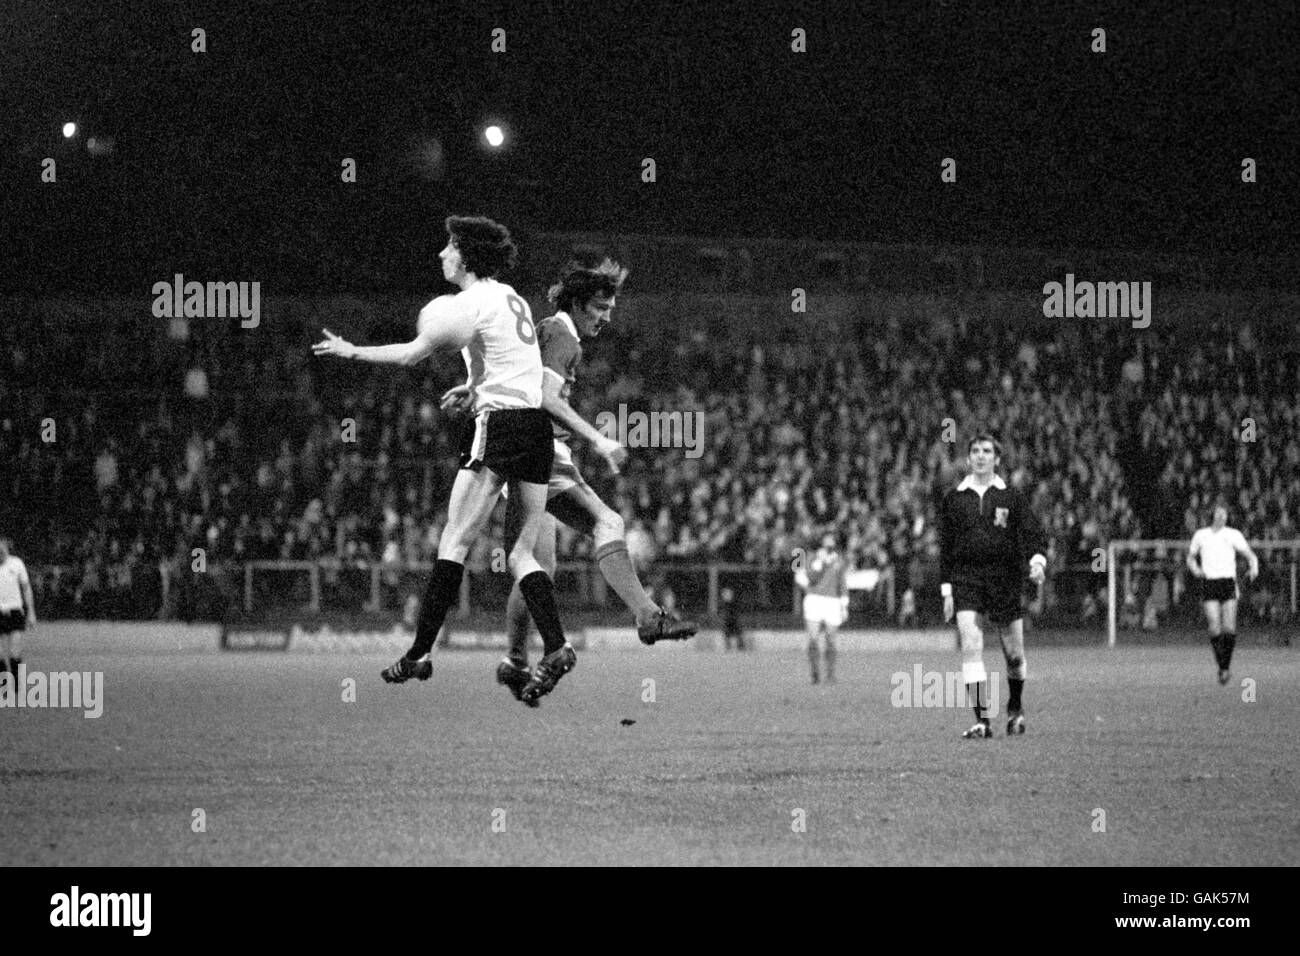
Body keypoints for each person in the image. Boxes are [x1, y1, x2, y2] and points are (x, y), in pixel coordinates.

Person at [313, 215, 575, 703]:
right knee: (521, 552)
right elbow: (511, 361)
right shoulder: (511, 297)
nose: (441, 255)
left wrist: (353, 352)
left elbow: (414, 355)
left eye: (449, 248)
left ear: (467, 256)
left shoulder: (469, 303)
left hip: (498, 427)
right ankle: (557, 646)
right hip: (536, 428)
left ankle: (418, 654)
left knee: (453, 542)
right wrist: (473, 386)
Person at [440, 258, 696, 705]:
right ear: (578, 304)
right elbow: (543, 396)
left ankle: (516, 660)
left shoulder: (540, 330)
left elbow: (512, 377)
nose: (606, 317)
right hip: (540, 449)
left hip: (513, 453)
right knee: (608, 522)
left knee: (535, 566)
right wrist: (599, 439)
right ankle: (648, 616)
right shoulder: (561, 335)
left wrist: (476, 390)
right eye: (600, 308)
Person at [939, 434, 1047, 739]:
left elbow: (1033, 534)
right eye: (975, 451)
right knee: (972, 647)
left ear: (997, 459)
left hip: (1004, 578)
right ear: (969, 457)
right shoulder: (955, 498)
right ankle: (982, 721)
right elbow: (946, 548)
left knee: (1014, 656)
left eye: (987, 451)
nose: (980, 456)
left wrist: (1037, 561)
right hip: (966, 579)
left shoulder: (1011, 497)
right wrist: (947, 590)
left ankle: (1015, 709)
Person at [1187, 504, 1259, 685]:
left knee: (1229, 628)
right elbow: (1190, 557)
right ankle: (1223, 666)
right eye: (1218, 513)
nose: (1221, 516)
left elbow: (1250, 555)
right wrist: (1196, 570)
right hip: (1210, 582)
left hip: (1227, 582)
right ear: (1213, 515)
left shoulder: (1233, 534)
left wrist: (1254, 567)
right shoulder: (1201, 535)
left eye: (1224, 514)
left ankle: (1224, 668)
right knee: (1214, 626)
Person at [795, 533, 848, 684]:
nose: (829, 549)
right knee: (813, 639)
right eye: (826, 546)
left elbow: (842, 583)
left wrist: (844, 605)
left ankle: (830, 674)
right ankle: (815, 672)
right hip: (814, 600)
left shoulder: (839, 561)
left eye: (831, 546)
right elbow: (804, 577)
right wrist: (819, 565)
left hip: (832, 602)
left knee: (831, 639)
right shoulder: (811, 557)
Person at [0, 537, 37, 674]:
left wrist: (31, 613)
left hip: (15, 612)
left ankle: (17, 687)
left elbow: (26, 588)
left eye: (2, 550)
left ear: (7, 549)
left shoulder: (16, 564)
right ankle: (4, 690)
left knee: (14, 652)